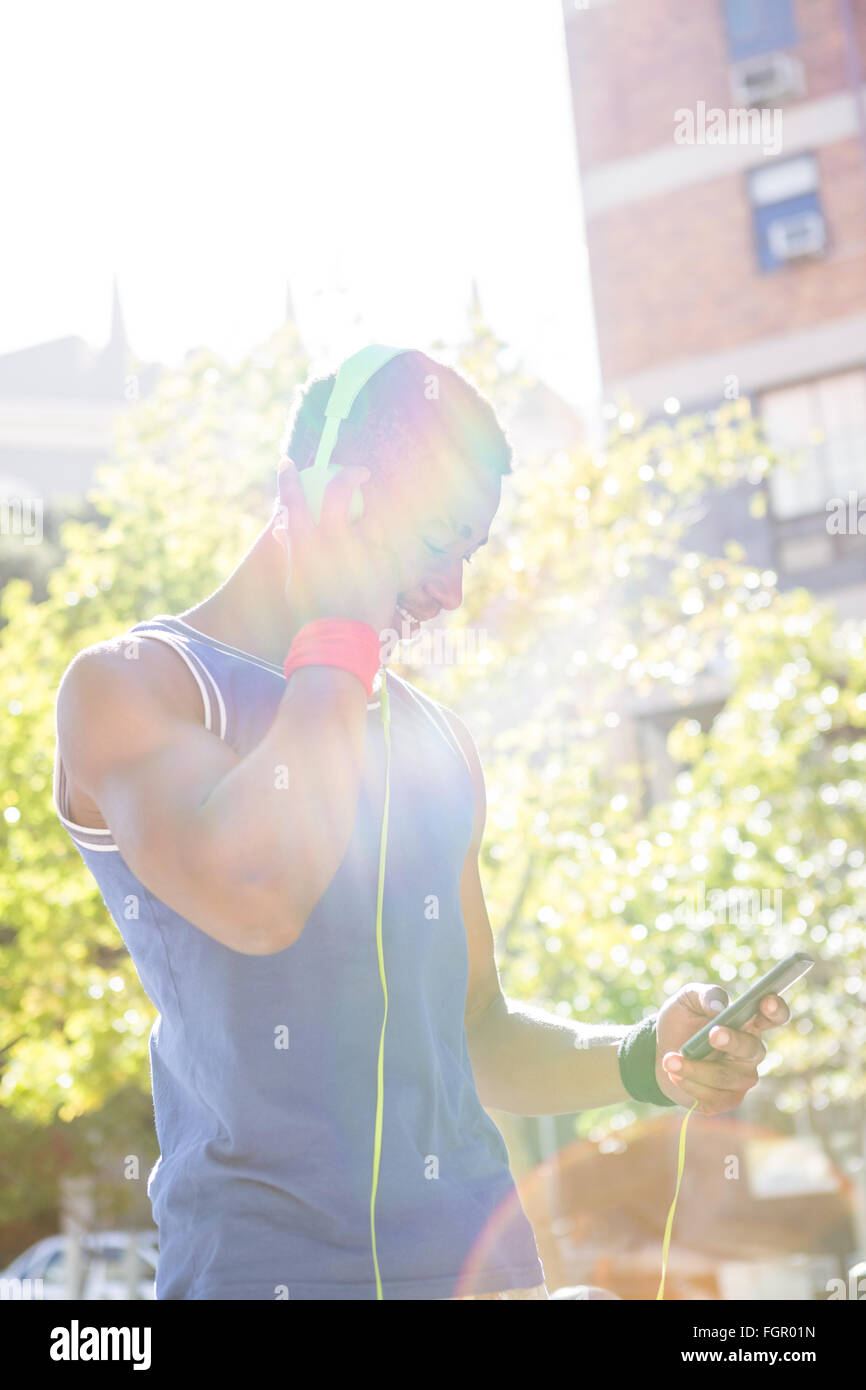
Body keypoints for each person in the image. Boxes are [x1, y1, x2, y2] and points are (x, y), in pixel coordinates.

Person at [53, 348, 790, 1301]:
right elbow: (258, 894)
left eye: (470, 556)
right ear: (319, 497)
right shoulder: (137, 685)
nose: (450, 591)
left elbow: (472, 1030)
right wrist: (340, 636)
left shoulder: (436, 741)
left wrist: (651, 1058)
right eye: (436, 540)